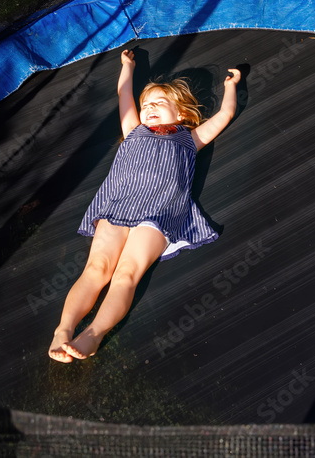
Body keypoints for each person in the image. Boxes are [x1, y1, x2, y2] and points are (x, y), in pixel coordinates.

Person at [48, 49, 241, 362]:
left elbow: (224, 116)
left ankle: (93, 335)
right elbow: (124, 93)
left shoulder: (190, 138)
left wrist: (231, 86)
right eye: (146, 104)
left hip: (161, 212)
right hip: (119, 204)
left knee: (125, 275)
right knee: (97, 268)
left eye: (159, 103)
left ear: (180, 114)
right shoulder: (133, 130)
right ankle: (63, 330)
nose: (149, 107)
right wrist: (128, 66)